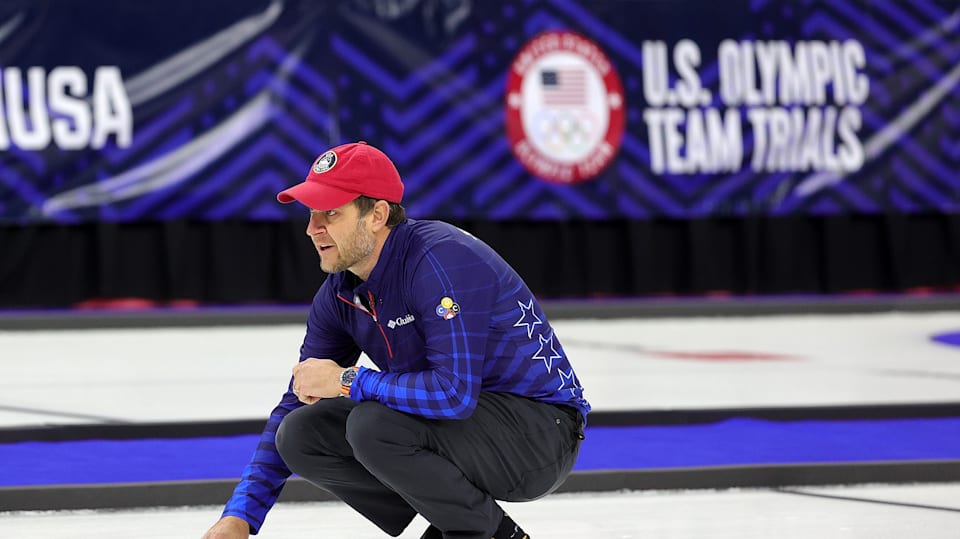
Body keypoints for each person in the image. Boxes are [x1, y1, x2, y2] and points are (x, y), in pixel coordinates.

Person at [201, 141, 589, 539]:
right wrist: (241, 516)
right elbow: (297, 398)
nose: (312, 228)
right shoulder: (339, 294)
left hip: (542, 435)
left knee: (373, 425)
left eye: (330, 212)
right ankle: (455, 516)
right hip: (465, 427)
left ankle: (486, 533)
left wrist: (348, 380)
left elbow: (452, 394)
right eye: (311, 213)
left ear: (377, 215)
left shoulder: (440, 260)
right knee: (301, 432)